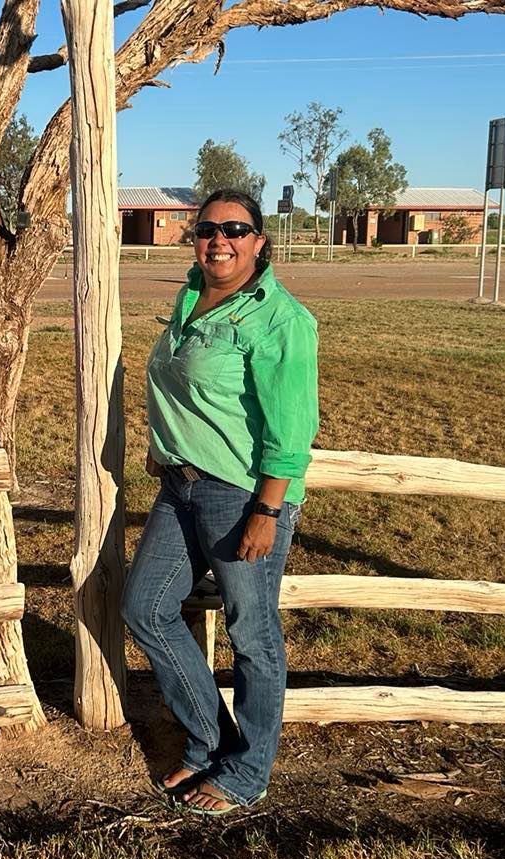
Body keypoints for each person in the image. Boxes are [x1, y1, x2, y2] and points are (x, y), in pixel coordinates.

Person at [121, 189, 319, 816]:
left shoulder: (280, 318)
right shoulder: (190, 293)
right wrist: (163, 444)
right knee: (144, 608)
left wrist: (267, 509)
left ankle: (247, 772)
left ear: (260, 241)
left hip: (240, 495)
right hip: (180, 487)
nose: (219, 240)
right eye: (207, 228)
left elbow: (291, 430)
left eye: (236, 229)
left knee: (253, 635)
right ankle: (213, 741)